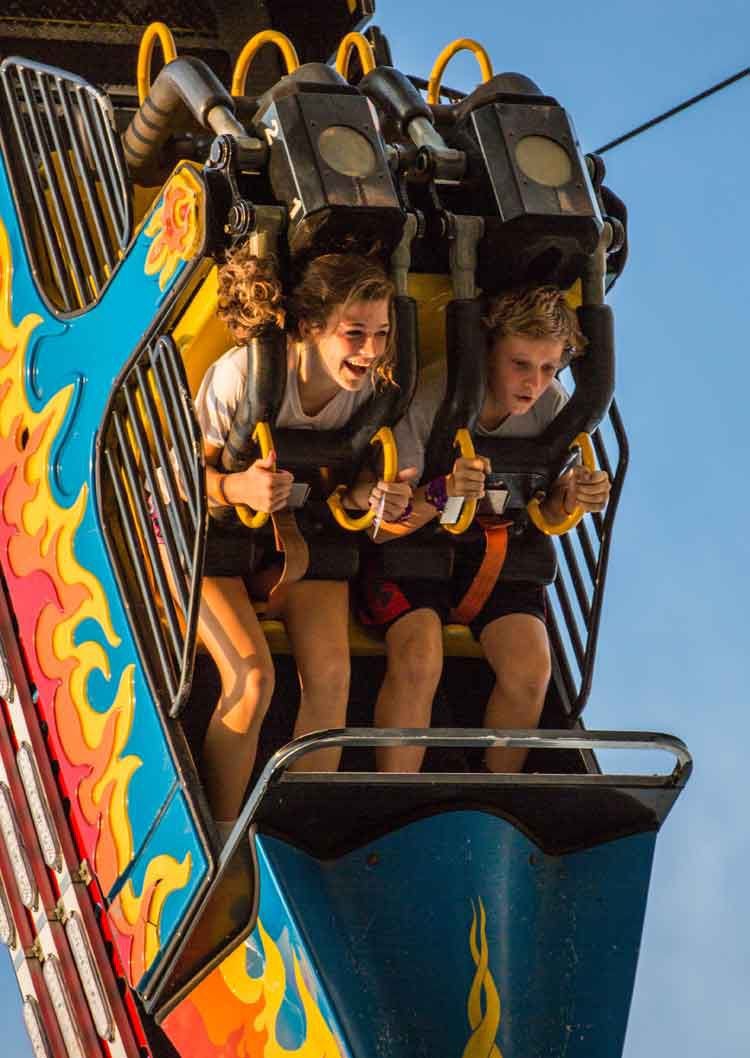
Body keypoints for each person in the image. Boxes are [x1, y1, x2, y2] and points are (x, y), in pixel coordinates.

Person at [192, 246, 413, 834]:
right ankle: (220, 831)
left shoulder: (369, 394)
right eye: (355, 334)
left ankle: (297, 832)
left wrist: (377, 497)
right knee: (253, 678)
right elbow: (184, 482)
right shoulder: (246, 376)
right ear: (312, 328)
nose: (370, 351)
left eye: (382, 333)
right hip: (206, 538)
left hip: (299, 538)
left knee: (332, 681)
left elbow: (356, 490)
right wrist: (239, 486)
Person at [359, 285, 611, 774]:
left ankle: (494, 787)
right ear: (487, 351)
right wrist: (444, 492)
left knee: (532, 669)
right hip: (416, 550)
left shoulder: (553, 406)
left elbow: (548, 503)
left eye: (547, 369)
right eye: (520, 365)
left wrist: (573, 494)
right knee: (420, 655)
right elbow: (385, 529)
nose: (534, 383)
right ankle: (394, 787)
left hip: (496, 552)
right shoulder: (433, 397)